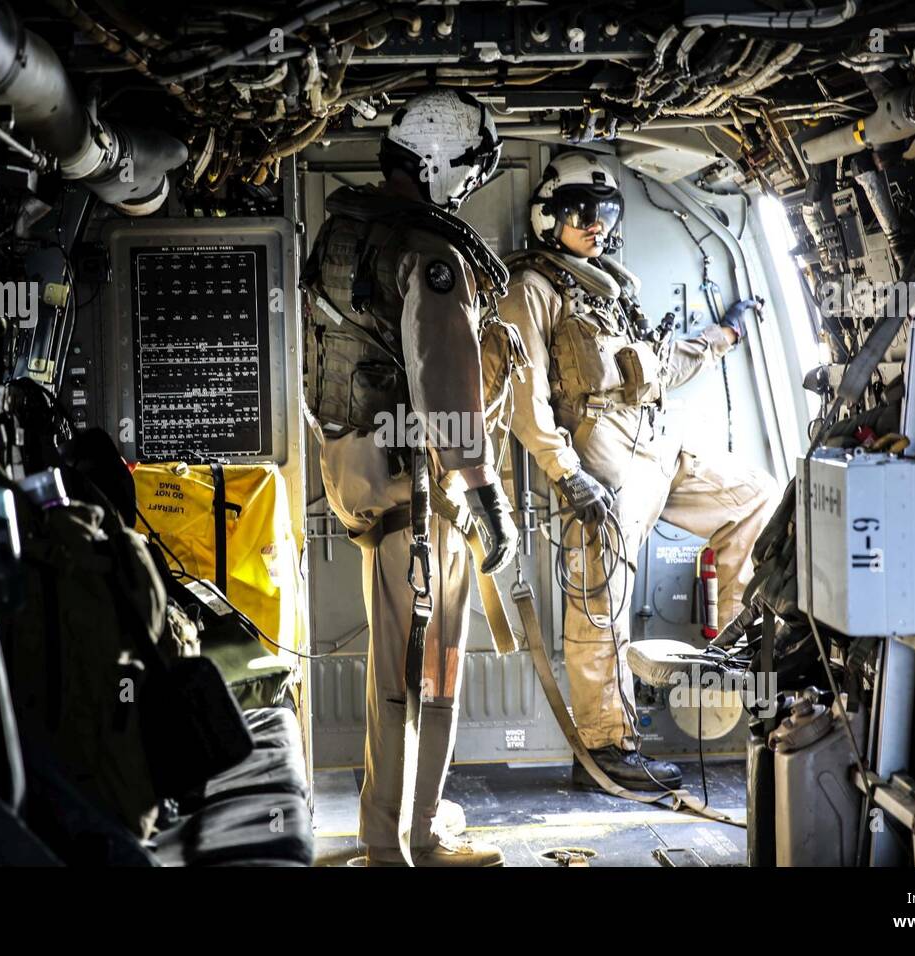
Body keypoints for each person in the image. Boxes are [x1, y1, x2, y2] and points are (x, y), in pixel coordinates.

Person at [497, 150, 778, 791]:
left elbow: (654, 367)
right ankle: (605, 750)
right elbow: (524, 396)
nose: (596, 225)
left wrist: (724, 336)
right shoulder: (531, 291)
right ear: (550, 217)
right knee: (600, 603)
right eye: (582, 213)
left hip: (655, 447)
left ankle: (732, 653)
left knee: (756, 497)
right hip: (599, 463)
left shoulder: (613, 289)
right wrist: (566, 473)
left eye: (606, 213)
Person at [301, 89, 519, 865]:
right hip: (417, 491)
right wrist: (486, 500)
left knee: (396, 660)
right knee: (432, 665)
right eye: (466, 172)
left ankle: (387, 822)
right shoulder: (431, 253)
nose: (465, 188)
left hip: (356, 474)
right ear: (437, 165)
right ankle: (411, 837)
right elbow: (448, 394)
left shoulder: (346, 229)